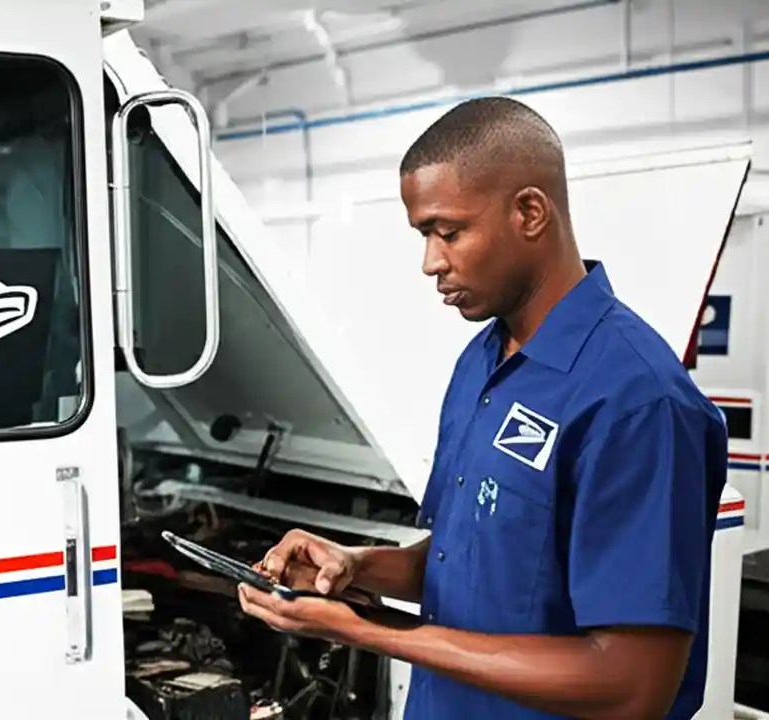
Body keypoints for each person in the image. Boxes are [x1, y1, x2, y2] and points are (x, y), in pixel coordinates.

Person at [236, 96, 729, 719]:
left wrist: (364, 631)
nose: (430, 262)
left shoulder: (637, 402)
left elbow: (632, 685)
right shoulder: (482, 362)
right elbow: (467, 562)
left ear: (529, 212)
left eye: (448, 231)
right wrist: (355, 568)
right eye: (423, 235)